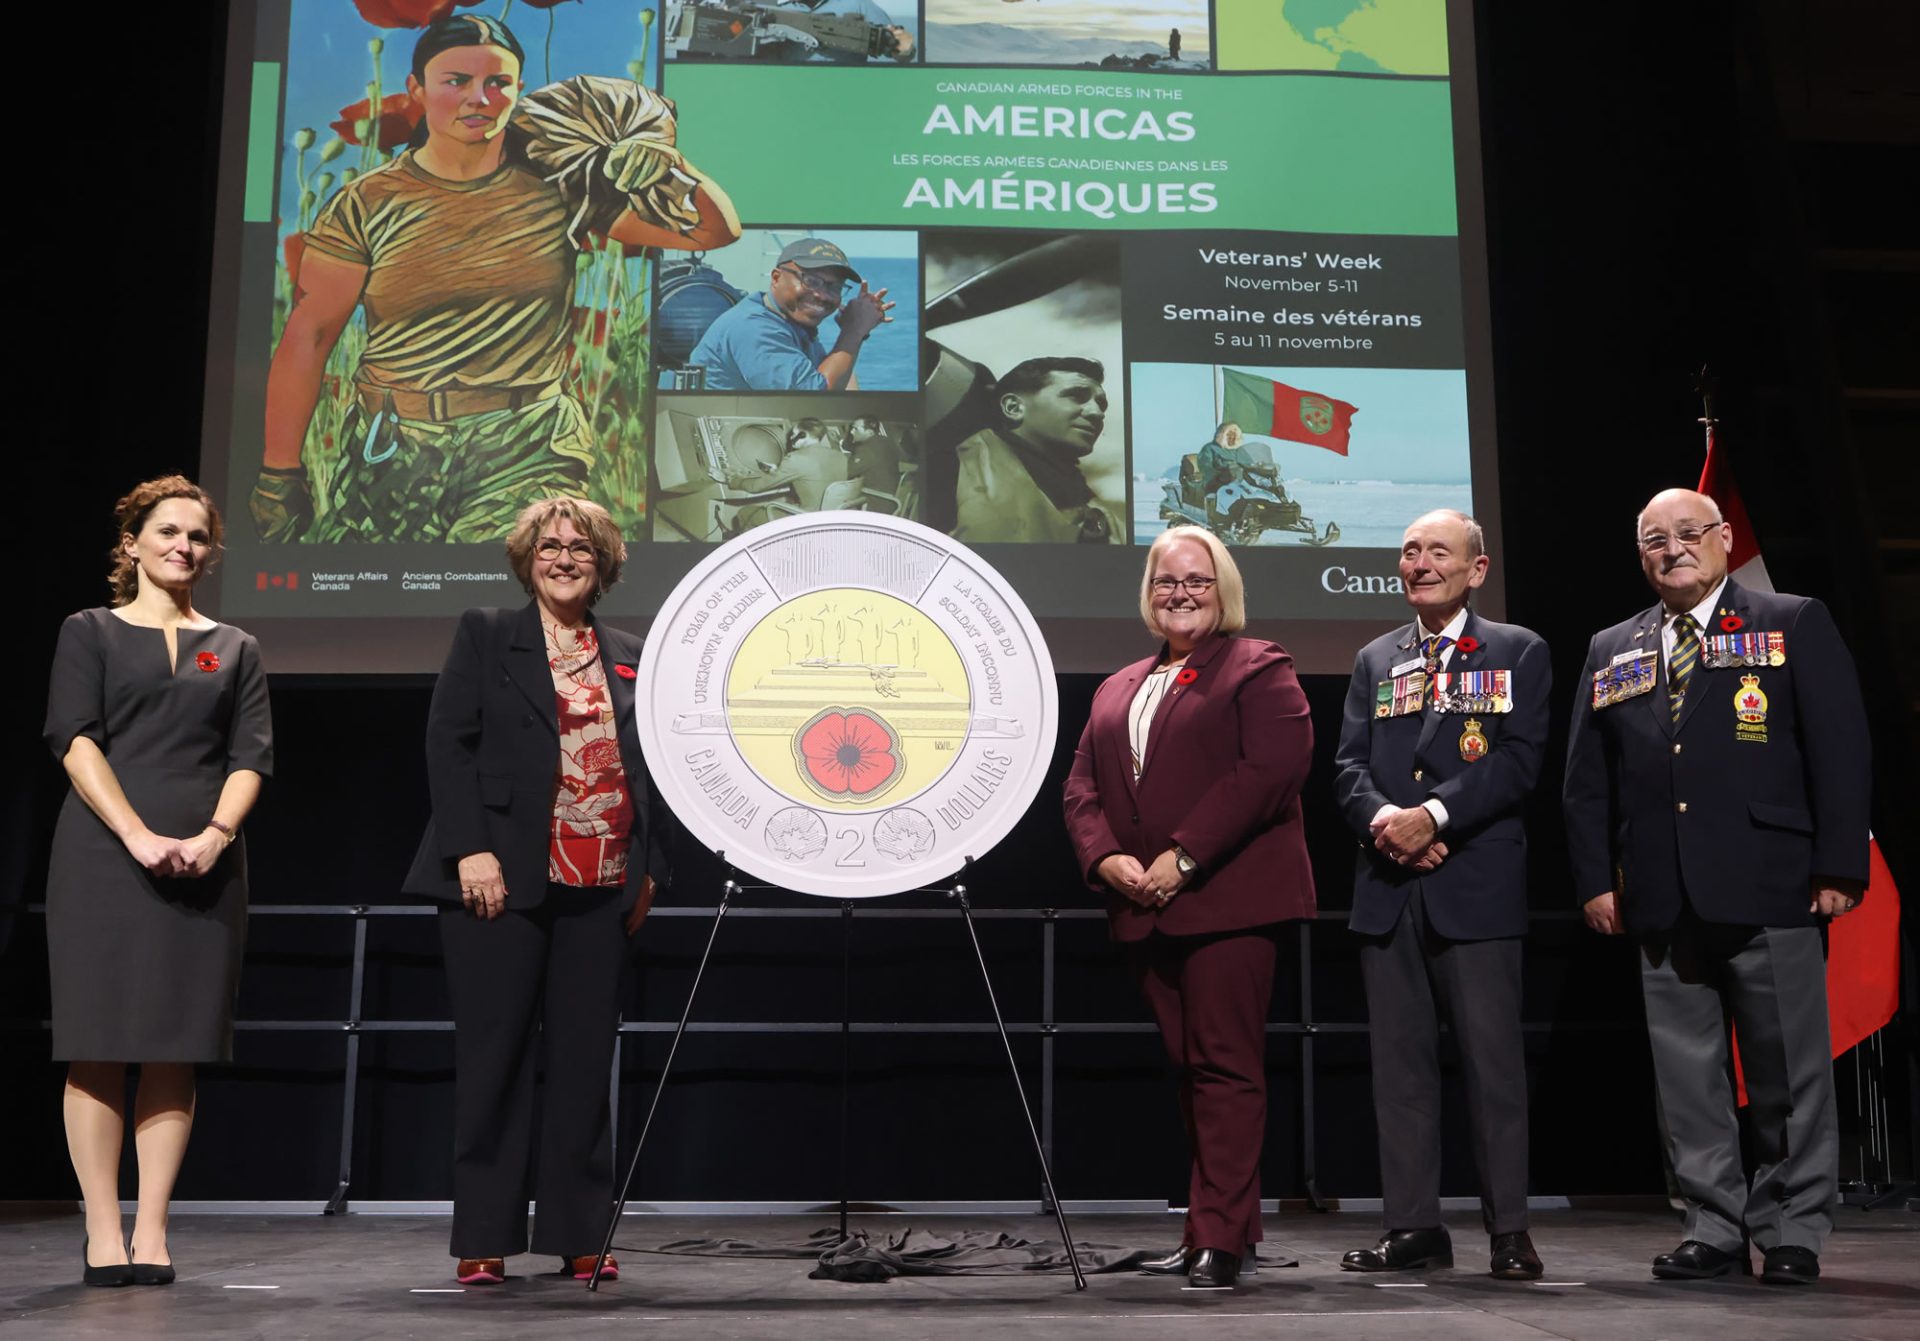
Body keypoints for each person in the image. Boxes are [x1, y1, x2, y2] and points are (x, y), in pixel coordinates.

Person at [251, 13, 741, 543]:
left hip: (529, 443)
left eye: (497, 83)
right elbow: (311, 334)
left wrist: (669, 167)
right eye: (456, 82)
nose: (479, 99)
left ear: (518, 91)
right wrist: (280, 473)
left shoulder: (562, 188)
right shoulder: (365, 203)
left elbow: (712, 233)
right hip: (392, 446)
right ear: (416, 88)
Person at [1563, 488, 1871, 1286]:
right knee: (1688, 1080)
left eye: (1688, 533)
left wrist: (1838, 865)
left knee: (1789, 1075)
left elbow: (1840, 750)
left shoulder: (1792, 620)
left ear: (1724, 537)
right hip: (1660, 894)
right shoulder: (1611, 647)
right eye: (1654, 540)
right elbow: (1586, 782)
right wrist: (1598, 878)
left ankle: (1793, 1227)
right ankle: (1712, 1225)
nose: (1673, 549)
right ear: (1641, 557)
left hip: (1773, 884)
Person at [402, 496, 673, 1284]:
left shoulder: (631, 649)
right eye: (549, 546)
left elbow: (652, 768)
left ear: (604, 563)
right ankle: (484, 1236)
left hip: (602, 881)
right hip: (499, 879)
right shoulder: (488, 632)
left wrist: (651, 867)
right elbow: (448, 745)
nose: (563, 557)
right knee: (495, 1058)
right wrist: (470, 852)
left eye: (580, 547)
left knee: (587, 1064)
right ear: (527, 559)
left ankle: (581, 1232)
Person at [1062, 525, 1316, 1290]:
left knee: (1225, 1069)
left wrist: (1183, 856)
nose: (1182, 593)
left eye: (1198, 581)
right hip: (1142, 905)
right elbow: (1081, 788)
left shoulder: (1258, 666)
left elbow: (1269, 772)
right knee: (1190, 1068)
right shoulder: (1118, 685)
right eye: (1167, 581)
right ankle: (1222, 1224)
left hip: (1227, 902)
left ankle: (1219, 1237)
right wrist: (1106, 858)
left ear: (1224, 588)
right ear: (1148, 592)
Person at [43, 476, 272, 1287]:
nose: (183, 545)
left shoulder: (233, 645)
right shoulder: (91, 631)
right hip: (105, 859)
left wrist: (215, 835)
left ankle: (151, 1229)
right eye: (167, 531)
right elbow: (73, 739)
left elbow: (251, 757)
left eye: (198, 536)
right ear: (132, 542)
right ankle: (102, 1230)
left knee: (177, 1047)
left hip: (206, 864)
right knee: (98, 1042)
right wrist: (136, 833)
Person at [1332, 509, 1550, 1280]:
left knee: (1494, 1068)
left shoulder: (1517, 650)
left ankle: (1511, 1231)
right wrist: (1389, 821)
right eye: (1409, 550)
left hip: (1475, 885)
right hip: (1389, 884)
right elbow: (1348, 767)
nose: (1420, 562)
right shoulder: (1374, 657)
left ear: (1476, 569)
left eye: (1437, 550)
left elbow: (1520, 759)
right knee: (1400, 1071)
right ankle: (1414, 1226)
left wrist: (1434, 814)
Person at [686, 238, 894, 391]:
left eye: (834, 287)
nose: (822, 295)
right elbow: (815, 402)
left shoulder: (793, 324)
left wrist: (855, 333)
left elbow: (841, 389)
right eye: (811, 281)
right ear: (776, 278)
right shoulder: (753, 327)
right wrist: (853, 332)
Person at [951, 357, 1121, 543]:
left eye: (1101, 404)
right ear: (1013, 408)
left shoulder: (1101, 513)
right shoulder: (949, 472)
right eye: (1076, 396)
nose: (1097, 412)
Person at [723, 418, 852, 531]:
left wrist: (731, 480)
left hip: (806, 520)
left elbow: (755, 487)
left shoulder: (796, 458)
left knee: (745, 513)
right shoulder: (839, 456)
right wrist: (776, 471)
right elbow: (814, 476)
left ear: (803, 435)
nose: (790, 438)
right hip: (830, 518)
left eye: (794, 434)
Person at [846, 415, 902, 497]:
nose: (851, 432)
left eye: (855, 428)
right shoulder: (887, 441)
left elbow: (848, 472)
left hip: (875, 500)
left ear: (869, 432)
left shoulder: (866, 449)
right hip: (891, 495)